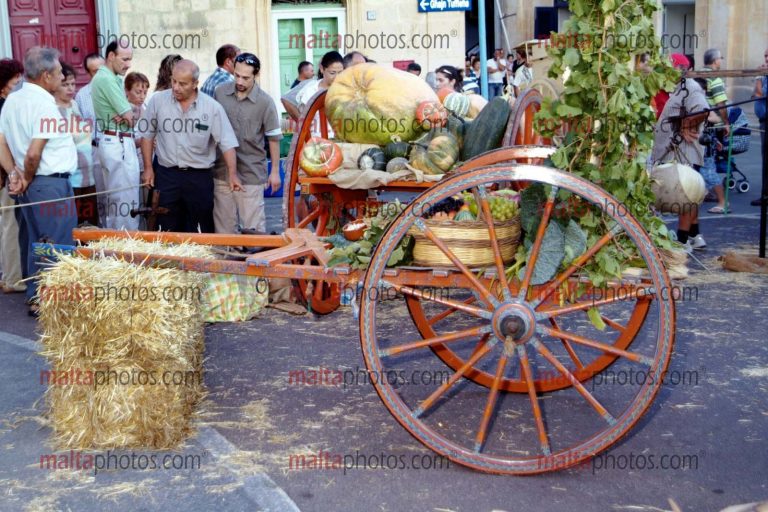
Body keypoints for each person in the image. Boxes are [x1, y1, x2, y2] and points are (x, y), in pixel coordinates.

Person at [0, 47, 78, 315]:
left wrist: (14, 175)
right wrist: (26, 176)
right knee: (56, 242)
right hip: (48, 182)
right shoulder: (44, 103)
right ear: (46, 75)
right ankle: (53, 302)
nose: (60, 77)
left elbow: (1, 142)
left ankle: (37, 297)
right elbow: (34, 152)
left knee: (34, 240)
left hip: (30, 181)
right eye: (58, 73)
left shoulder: (12, 100)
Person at [139, 59, 239, 233]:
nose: (176, 87)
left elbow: (227, 142)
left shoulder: (212, 108)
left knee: (200, 227)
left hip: (199, 178)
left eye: (183, 83)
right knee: (166, 227)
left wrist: (233, 174)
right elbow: (147, 135)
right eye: (174, 81)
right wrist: (148, 168)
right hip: (167, 175)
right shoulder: (158, 101)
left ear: (195, 84)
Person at [213, 53, 282, 234]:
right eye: (236, 75)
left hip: (251, 172)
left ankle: (254, 262)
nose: (240, 81)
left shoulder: (265, 102)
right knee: (224, 231)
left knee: (253, 230)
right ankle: (226, 262)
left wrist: (274, 172)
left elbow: (274, 139)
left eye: (245, 77)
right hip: (221, 172)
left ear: (256, 75)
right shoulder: (220, 92)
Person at [651, 76, 710, 252]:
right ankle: (695, 235)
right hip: (678, 151)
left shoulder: (690, 87)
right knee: (690, 194)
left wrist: (687, 125)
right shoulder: (676, 88)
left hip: (684, 151)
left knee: (685, 194)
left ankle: (682, 240)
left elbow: (703, 110)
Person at [91, 40, 139, 230]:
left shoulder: (111, 78)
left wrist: (130, 112)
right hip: (118, 142)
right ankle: (125, 251)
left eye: (130, 59)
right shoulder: (106, 79)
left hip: (116, 141)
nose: (128, 64)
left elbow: (130, 114)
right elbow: (131, 118)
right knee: (124, 202)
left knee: (120, 200)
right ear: (111, 56)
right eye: (125, 59)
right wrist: (130, 113)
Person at [54, 61, 96, 226]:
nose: (71, 88)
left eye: (72, 84)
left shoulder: (75, 105)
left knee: (91, 225)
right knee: (73, 225)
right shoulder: (52, 109)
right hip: (71, 179)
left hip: (89, 176)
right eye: (65, 84)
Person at [0, 58, 25, 293]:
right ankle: (12, 279)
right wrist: (12, 172)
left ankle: (8, 275)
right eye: (15, 77)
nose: (19, 80)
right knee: (10, 225)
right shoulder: (3, 105)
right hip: (5, 174)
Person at [74, 52, 106, 225]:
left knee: (117, 194)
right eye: (94, 71)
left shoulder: (117, 89)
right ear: (88, 73)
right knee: (98, 195)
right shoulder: (81, 95)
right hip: (93, 149)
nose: (98, 75)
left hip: (115, 145)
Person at [700, 48, 729, 214]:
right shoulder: (715, 79)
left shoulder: (696, 75)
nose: (721, 62)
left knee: (701, 163)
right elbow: (721, 104)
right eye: (720, 59)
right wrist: (726, 123)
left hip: (698, 126)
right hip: (710, 127)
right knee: (709, 165)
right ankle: (722, 202)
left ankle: (705, 192)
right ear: (715, 61)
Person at [296, 51, 344, 137]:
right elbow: (303, 121)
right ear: (322, 69)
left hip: (341, 143)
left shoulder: (346, 91)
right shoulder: (310, 91)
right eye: (332, 73)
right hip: (316, 144)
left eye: (340, 73)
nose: (337, 77)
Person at [751, 47, 768, 206]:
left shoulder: (763, 77)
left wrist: (758, 77)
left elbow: (759, 94)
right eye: (765, 55)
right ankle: (765, 193)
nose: (766, 59)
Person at [124, 71, 149, 174]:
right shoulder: (124, 112)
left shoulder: (146, 107)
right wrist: (144, 141)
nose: (142, 96)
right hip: (129, 163)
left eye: (145, 93)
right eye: (138, 92)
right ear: (127, 91)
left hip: (146, 162)